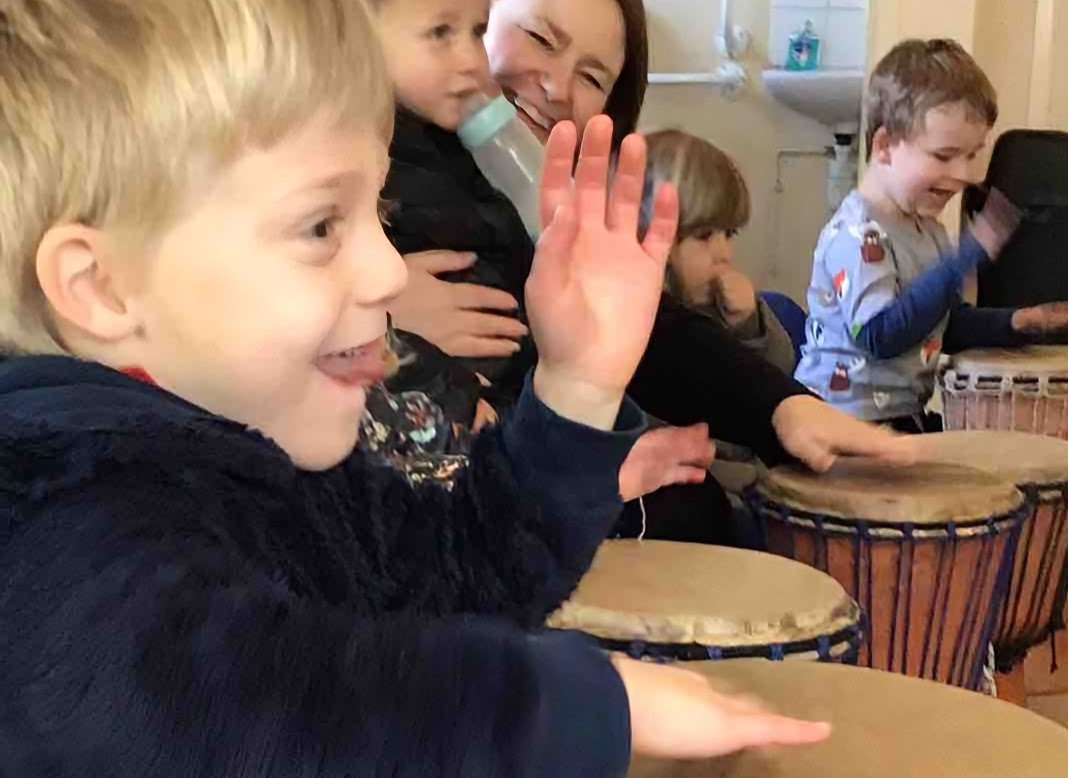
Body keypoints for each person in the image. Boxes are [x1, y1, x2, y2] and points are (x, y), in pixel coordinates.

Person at [0, 1, 833, 775]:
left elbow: (458, 572)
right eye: (322, 226)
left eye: (380, 212)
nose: (388, 269)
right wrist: (578, 702)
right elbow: (262, 704)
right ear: (100, 286)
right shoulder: (55, 520)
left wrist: (577, 385)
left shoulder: (265, 454)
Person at [384, 0, 914, 480]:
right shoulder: (369, 159)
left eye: (592, 78)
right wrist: (379, 318)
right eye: (541, 39)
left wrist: (782, 407)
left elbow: (641, 326)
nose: (557, 88)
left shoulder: (524, 198)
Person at [794, 38, 1068, 432]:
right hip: (838, 423)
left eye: (971, 156)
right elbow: (881, 335)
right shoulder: (857, 234)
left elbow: (942, 324)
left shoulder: (930, 231)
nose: (963, 174)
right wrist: (964, 258)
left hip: (896, 420)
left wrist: (1019, 322)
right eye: (943, 156)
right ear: (885, 145)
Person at [641, 128, 796, 376]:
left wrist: (749, 325)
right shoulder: (638, 326)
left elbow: (779, 372)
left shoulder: (717, 309)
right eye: (704, 236)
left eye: (729, 234)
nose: (724, 253)